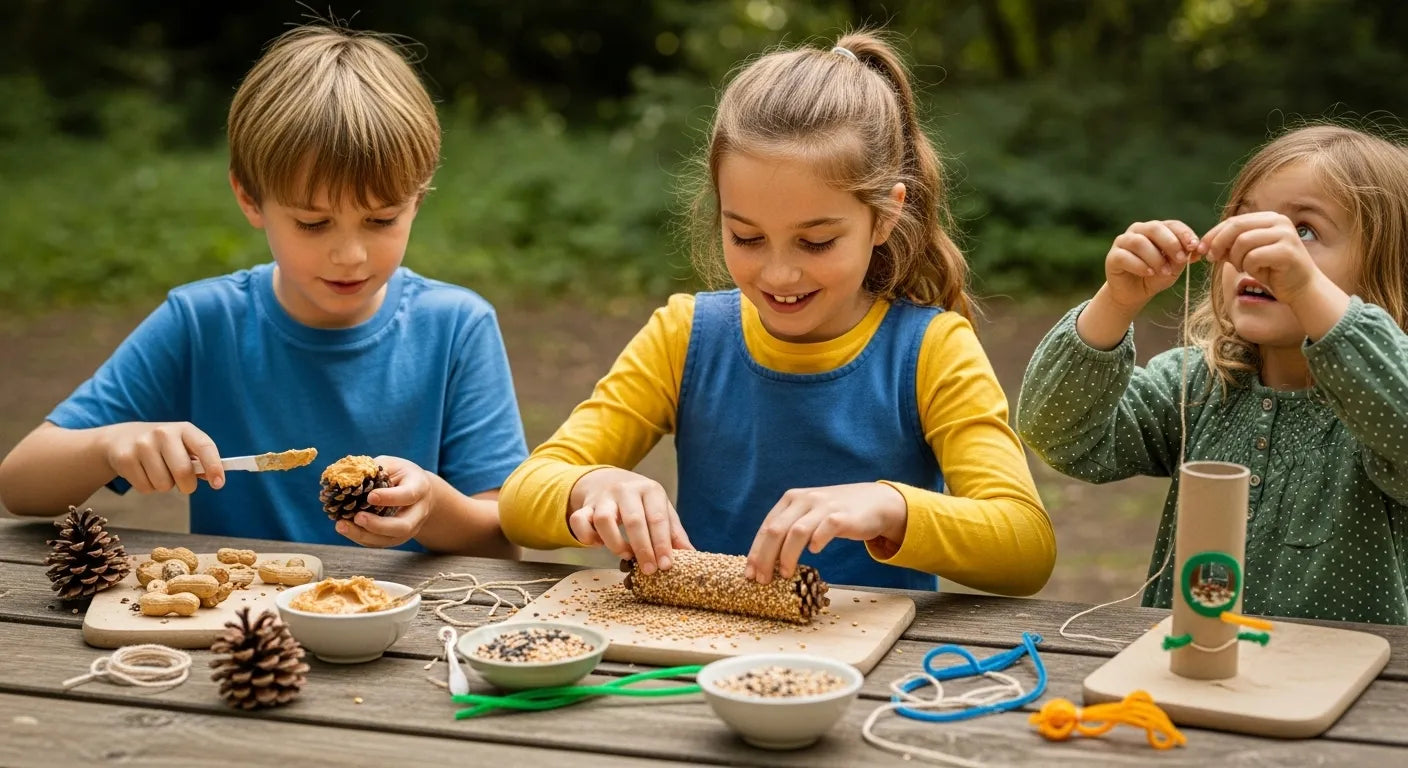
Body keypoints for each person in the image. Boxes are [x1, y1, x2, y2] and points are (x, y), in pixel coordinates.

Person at [499, 31, 1054, 593]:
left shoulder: (933, 350)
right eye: (746, 237)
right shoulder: (684, 335)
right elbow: (522, 497)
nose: (779, 275)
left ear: (885, 215)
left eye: (816, 243)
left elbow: (1026, 546)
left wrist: (891, 506)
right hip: (701, 660)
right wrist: (589, 487)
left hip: (871, 670)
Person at [0, 25, 527, 556]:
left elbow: (502, 540)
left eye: (381, 219)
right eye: (313, 223)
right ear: (250, 198)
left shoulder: (457, 327)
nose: (350, 255)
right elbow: (19, 486)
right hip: (239, 627)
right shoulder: (202, 323)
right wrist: (108, 445)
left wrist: (431, 508)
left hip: (409, 630)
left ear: (418, 198)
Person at [1018, 124, 1408, 624]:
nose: (1258, 253)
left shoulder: (1381, 405)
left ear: (1387, 268)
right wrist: (1116, 302)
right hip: (1191, 678)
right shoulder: (1199, 385)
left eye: (1302, 232)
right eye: (1245, 223)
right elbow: (1060, 433)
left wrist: (1307, 289)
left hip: (1357, 692)